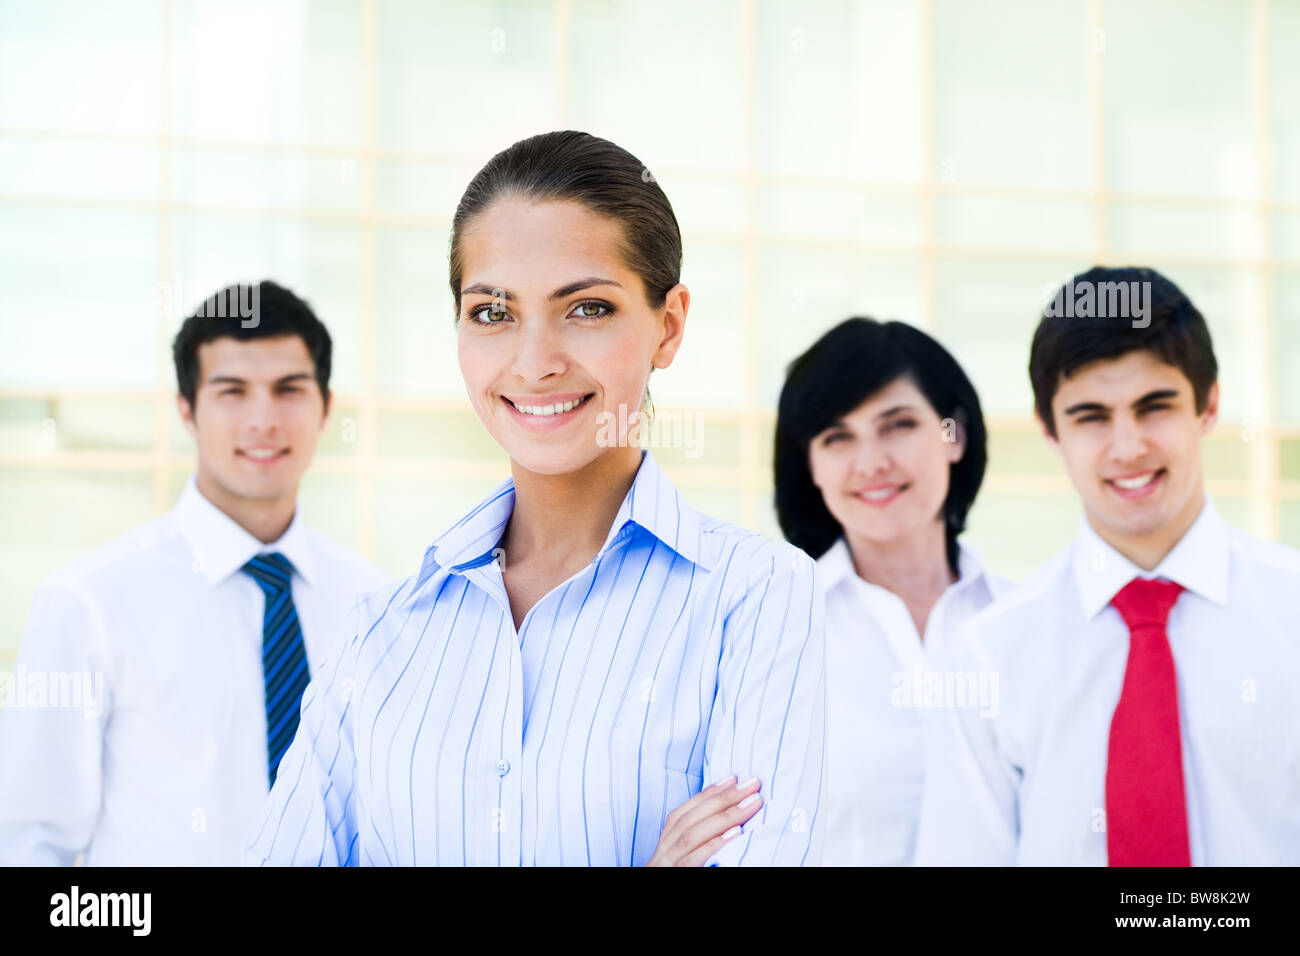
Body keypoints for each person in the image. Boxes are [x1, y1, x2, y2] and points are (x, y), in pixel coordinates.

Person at [245, 130, 827, 867]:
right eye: (493, 312)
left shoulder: (758, 599)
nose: (535, 362)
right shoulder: (378, 635)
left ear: (668, 325)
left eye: (586, 308)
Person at [914, 266, 1300, 865]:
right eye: (1091, 416)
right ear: (1049, 430)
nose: (1127, 447)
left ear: (1209, 406)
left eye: (1155, 407)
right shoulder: (989, 654)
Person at [0, 280, 389, 865]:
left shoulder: (376, 603)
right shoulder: (87, 603)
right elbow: (29, 842)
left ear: (326, 407)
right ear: (187, 409)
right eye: (232, 391)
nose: (263, 420)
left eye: (289, 389)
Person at [764, 317, 1010, 866]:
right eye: (837, 437)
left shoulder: (1030, 623)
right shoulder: (772, 634)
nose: (871, 463)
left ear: (955, 435)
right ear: (812, 467)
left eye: (897, 425)